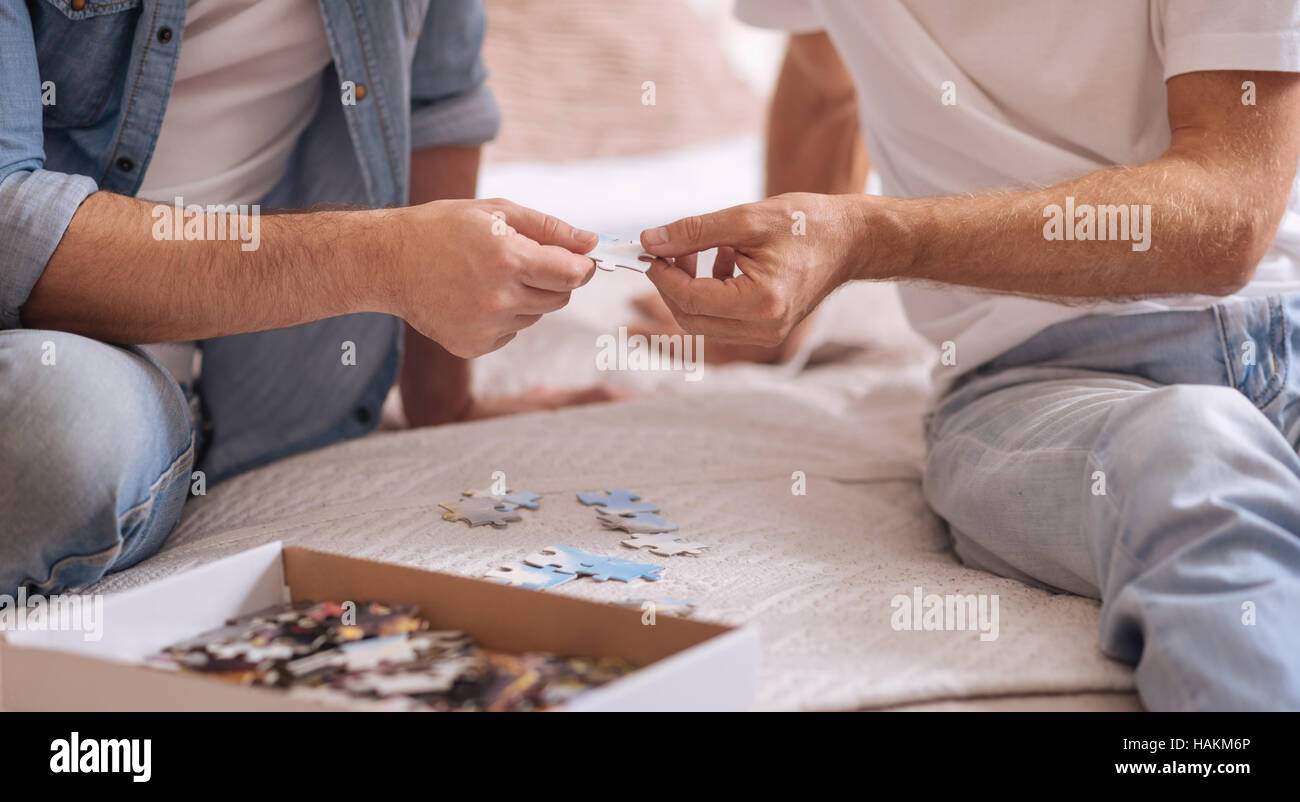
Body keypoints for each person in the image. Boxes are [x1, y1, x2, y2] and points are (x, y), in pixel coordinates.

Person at [639, 1, 1300, 711]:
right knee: (1195, 456)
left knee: (1194, 451)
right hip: (1044, 379)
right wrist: (769, 319)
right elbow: (821, 75)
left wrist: (872, 237)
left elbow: (1226, 221)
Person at [0, 0, 605, 595]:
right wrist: (382, 258)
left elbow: (437, 103)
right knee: (46, 427)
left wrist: (444, 404)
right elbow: (9, 226)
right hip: (47, 353)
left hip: (265, 394)